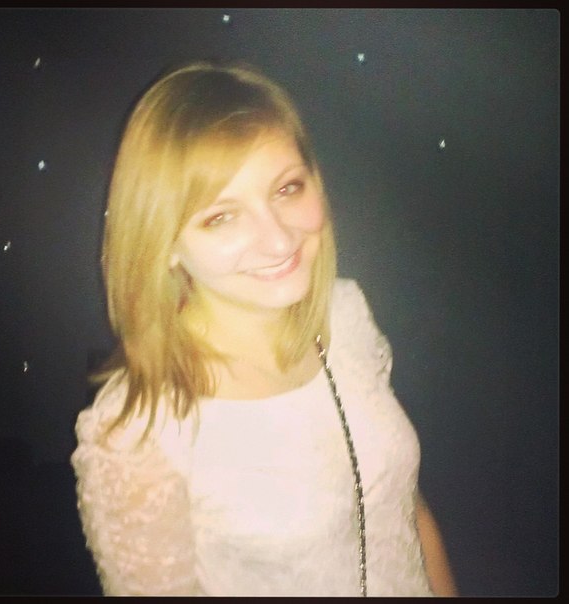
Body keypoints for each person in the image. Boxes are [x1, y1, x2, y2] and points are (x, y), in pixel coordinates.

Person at [71, 60, 458, 597]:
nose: (278, 240)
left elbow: (405, 510)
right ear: (164, 244)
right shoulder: (137, 431)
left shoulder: (344, 316)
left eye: (287, 188)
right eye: (220, 216)